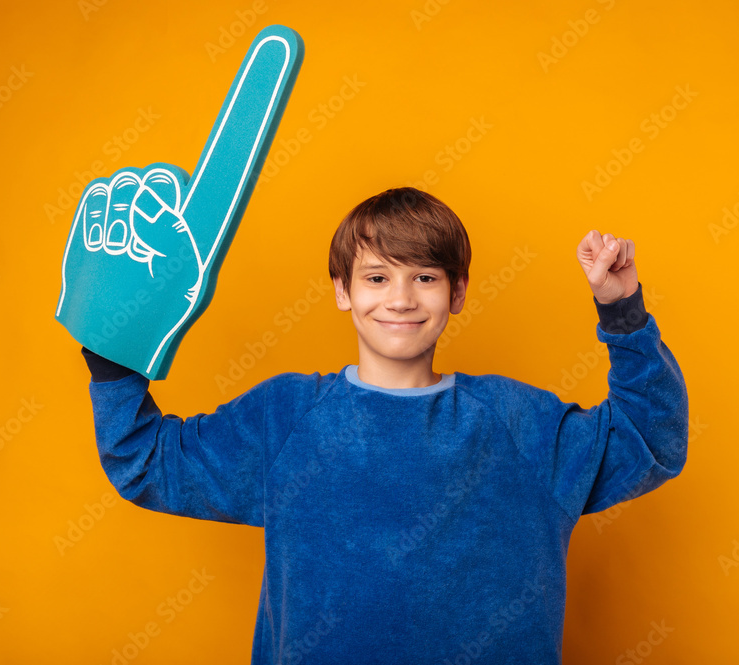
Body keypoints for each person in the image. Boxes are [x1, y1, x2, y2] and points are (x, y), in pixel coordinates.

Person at [79, 186, 688, 664]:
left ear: (457, 293)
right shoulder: (285, 418)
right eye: (376, 277)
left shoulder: (518, 423)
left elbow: (650, 441)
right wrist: (111, 331)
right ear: (342, 291)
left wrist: (622, 308)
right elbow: (146, 461)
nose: (400, 298)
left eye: (424, 277)